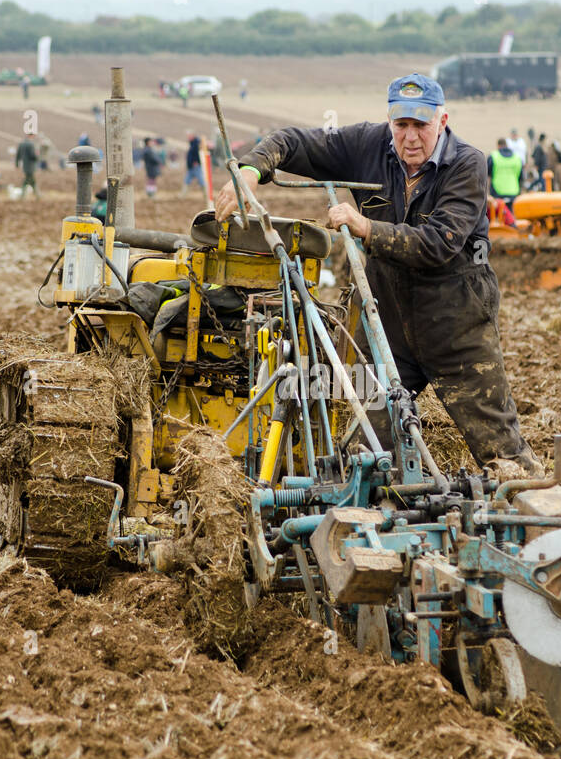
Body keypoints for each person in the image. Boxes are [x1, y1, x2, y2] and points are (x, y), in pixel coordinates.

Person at [212, 72, 540, 473]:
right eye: (401, 125)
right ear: (390, 123)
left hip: (456, 329)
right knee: (371, 454)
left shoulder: (466, 165)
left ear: (443, 120)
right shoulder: (367, 145)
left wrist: (365, 226)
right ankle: (391, 517)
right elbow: (294, 142)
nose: (411, 137)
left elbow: (438, 243)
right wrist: (251, 170)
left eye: (421, 125)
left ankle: (536, 517)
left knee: (503, 453)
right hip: (386, 329)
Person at [488, 138, 522, 208]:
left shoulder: (493, 156)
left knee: (498, 216)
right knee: (511, 216)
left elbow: (487, 174)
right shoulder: (517, 157)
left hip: (497, 192)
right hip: (513, 192)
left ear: (498, 146)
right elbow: (520, 177)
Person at [16, 132, 39, 198]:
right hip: (31, 166)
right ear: (31, 135)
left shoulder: (22, 143)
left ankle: (37, 195)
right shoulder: (31, 144)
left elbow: (18, 155)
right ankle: (24, 195)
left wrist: (17, 164)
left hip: (25, 166)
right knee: (28, 180)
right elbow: (33, 156)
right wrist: (37, 156)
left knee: (30, 180)